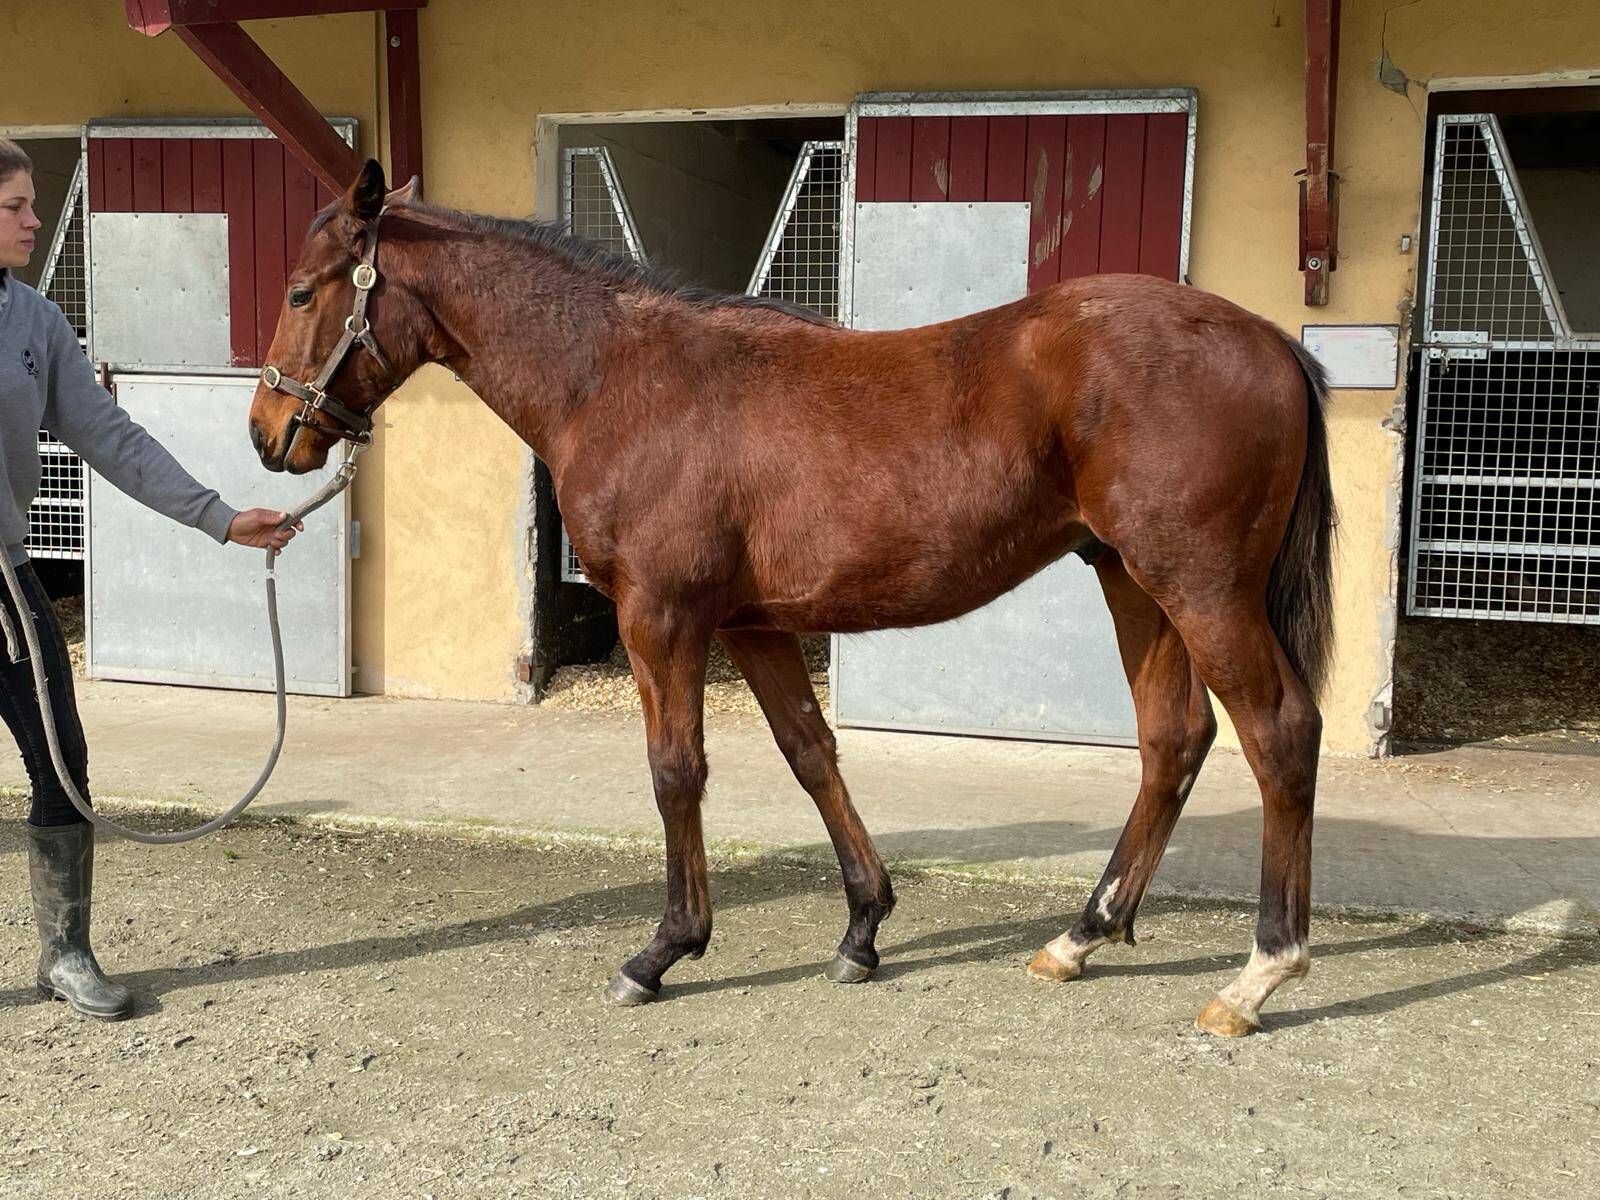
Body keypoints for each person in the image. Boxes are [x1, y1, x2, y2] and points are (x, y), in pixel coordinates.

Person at [0, 138, 298, 1020]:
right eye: (15, 205)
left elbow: (113, 441)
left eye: (30, 203)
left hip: (8, 587)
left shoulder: (35, 324)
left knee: (63, 762)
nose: (33, 218)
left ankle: (66, 952)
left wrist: (220, 517)